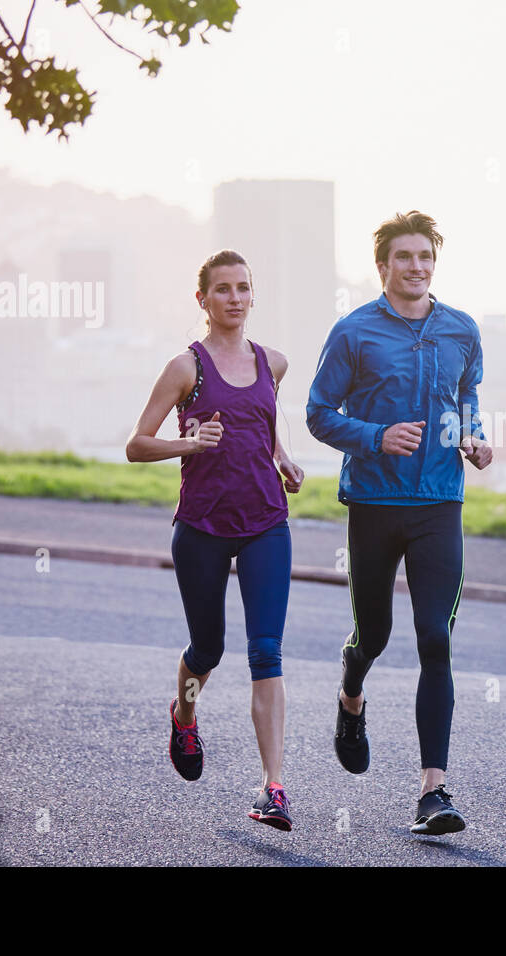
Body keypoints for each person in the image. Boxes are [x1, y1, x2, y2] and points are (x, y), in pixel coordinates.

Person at [307, 211, 493, 836]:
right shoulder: (354, 332)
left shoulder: (461, 330)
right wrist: (376, 437)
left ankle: (432, 792)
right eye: (404, 257)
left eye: (425, 256)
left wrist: (474, 436)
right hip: (374, 502)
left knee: (435, 637)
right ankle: (351, 691)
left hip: (440, 501)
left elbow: (466, 397)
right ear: (383, 265)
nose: (416, 266)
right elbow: (317, 413)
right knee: (376, 634)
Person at [125, 249, 305, 831]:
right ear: (202, 300)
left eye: (243, 288)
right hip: (201, 525)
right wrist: (189, 444)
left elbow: (267, 423)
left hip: (265, 524)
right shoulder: (186, 368)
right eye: (222, 289)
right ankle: (184, 713)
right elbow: (137, 443)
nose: (234, 297)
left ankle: (273, 788)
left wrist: (285, 459)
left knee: (266, 651)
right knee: (208, 650)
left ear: (254, 297)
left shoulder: (273, 363)